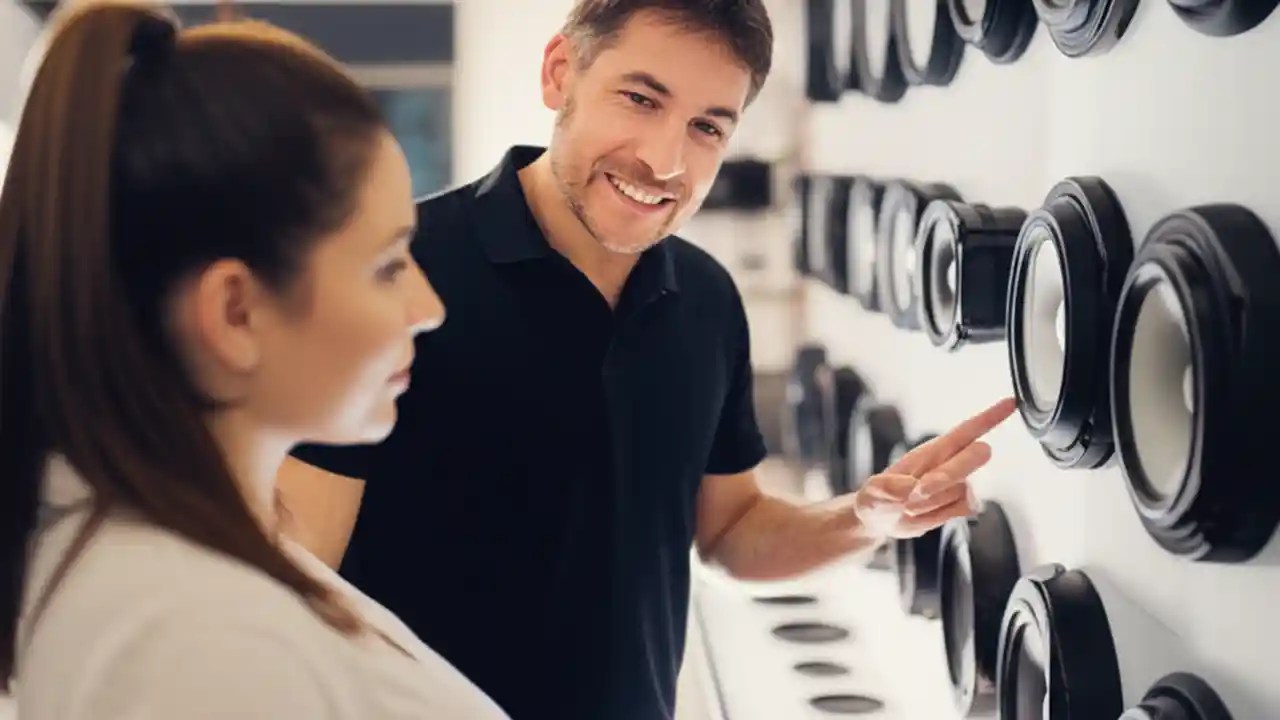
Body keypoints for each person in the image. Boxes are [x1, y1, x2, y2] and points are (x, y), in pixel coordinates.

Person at [280, 1, 1018, 718]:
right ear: (560, 73)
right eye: (639, 98)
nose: (665, 160)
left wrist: (865, 519)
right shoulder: (399, 273)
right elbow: (296, 580)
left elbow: (731, 534)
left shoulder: (704, 299)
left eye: (705, 127)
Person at [0, 2, 509, 717]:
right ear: (236, 313)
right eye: (390, 265)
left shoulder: (195, 563)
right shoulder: (195, 644)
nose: (430, 308)